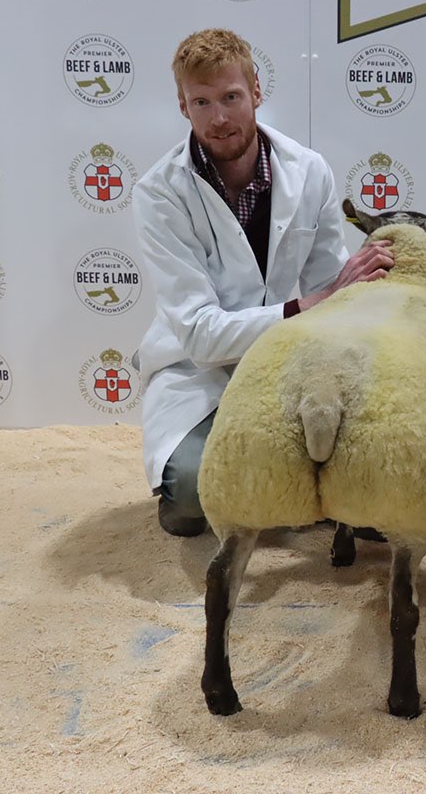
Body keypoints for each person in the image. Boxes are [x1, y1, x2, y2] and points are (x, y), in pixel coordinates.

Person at [134, 29, 394, 537]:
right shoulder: (159, 194)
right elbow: (203, 336)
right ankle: (185, 492)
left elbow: (329, 285)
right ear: (183, 108)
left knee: (368, 460)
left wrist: (354, 290)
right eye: (201, 102)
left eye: (230, 97)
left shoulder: (309, 171)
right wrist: (311, 305)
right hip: (198, 371)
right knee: (192, 488)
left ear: (256, 90)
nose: (219, 117)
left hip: (286, 360)